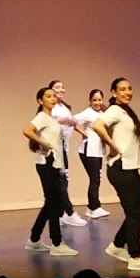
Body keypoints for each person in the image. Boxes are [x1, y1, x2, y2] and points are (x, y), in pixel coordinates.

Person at [92, 77, 140, 271]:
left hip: (130, 168)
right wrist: (112, 146)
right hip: (121, 168)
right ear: (113, 92)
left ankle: (117, 246)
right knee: (134, 212)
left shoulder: (125, 111)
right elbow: (97, 125)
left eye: (129, 88)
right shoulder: (114, 110)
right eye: (122, 89)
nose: (127, 92)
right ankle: (135, 257)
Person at [23, 87, 80, 256]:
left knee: (51, 203)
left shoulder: (50, 119)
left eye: (54, 96)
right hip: (47, 163)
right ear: (40, 101)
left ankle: (34, 239)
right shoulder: (42, 117)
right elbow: (27, 130)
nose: (53, 99)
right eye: (48, 96)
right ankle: (56, 243)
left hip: (53, 164)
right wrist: (44, 143)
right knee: (54, 203)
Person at [49, 80, 89, 228]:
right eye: (57, 87)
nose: (61, 89)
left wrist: (82, 132)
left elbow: (70, 122)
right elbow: (48, 123)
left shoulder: (64, 106)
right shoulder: (51, 107)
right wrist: (64, 120)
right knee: (61, 181)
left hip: (64, 148)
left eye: (62, 87)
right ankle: (68, 212)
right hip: (55, 148)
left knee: (63, 180)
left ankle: (61, 213)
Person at [73, 89, 109, 219]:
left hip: (98, 150)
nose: (97, 102)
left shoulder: (103, 113)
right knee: (95, 178)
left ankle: (91, 207)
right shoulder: (88, 113)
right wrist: (83, 133)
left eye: (99, 99)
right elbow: (73, 120)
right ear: (90, 101)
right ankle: (94, 207)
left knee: (96, 178)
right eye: (94, 100)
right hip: (89, 149)